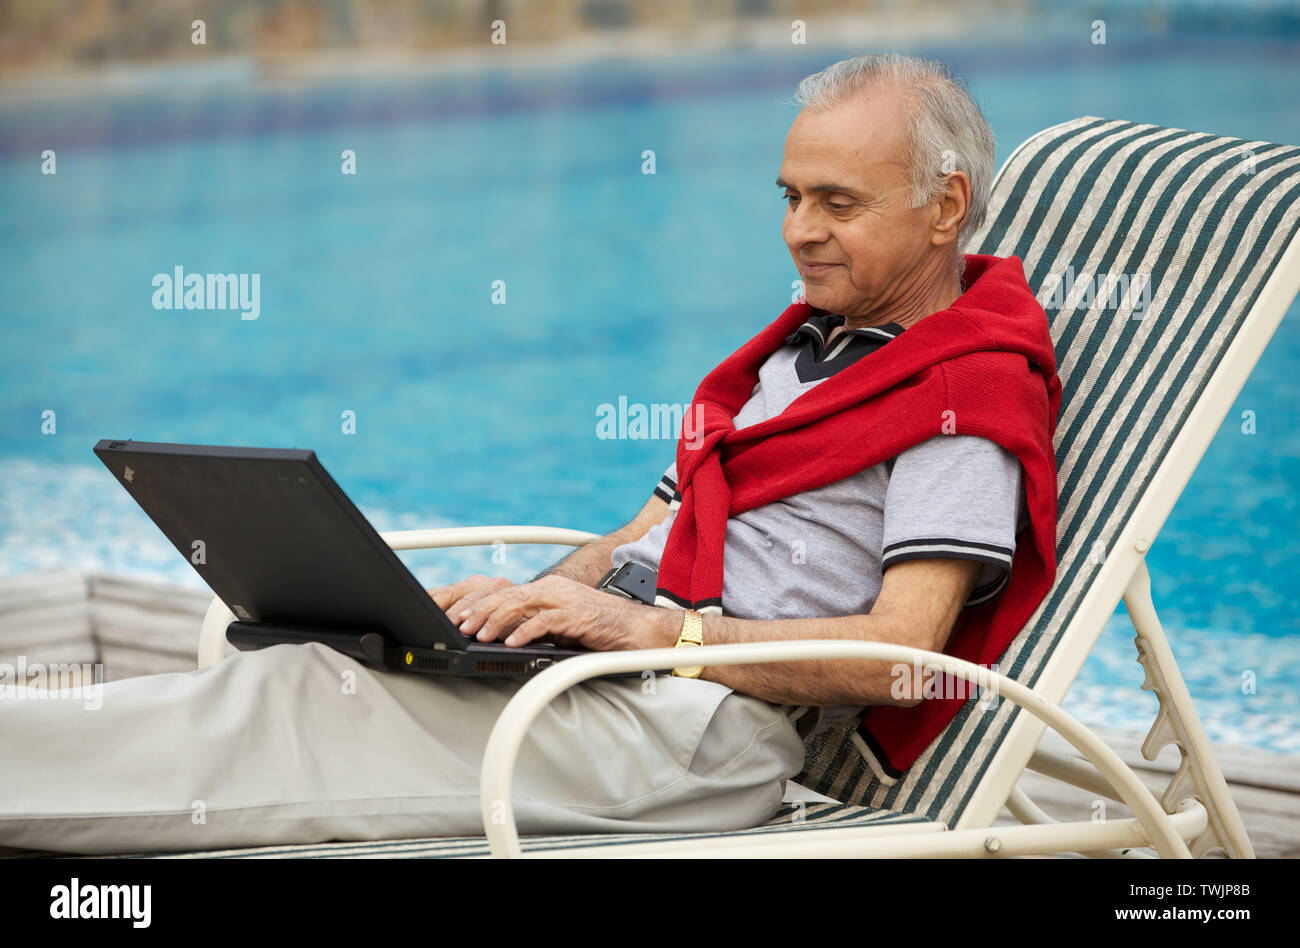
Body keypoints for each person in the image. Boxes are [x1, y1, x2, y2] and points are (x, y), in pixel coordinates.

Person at [0, 53, 1057, 855]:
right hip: (610, 681)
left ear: (944, 206)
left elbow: (906, 651)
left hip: (693, 733)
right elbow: (646, 534)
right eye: (789, 196)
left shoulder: (960, 390)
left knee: (290, 709)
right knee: (311, 659)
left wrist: (649, 628)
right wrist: (525, 606)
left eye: (838, 203)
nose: (798, 230)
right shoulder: (802, 360)